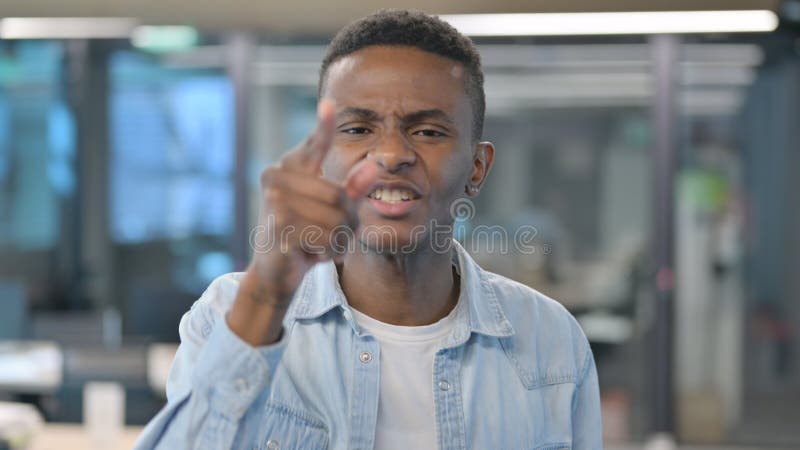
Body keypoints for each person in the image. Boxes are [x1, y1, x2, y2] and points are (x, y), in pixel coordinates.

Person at [135, 9, 601, 450]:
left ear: (477, 167)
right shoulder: (228, 315)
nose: (392, 155)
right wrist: (266, 297)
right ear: (321, 157)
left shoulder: (551, 340)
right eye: (358, 129)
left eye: (428, 131)